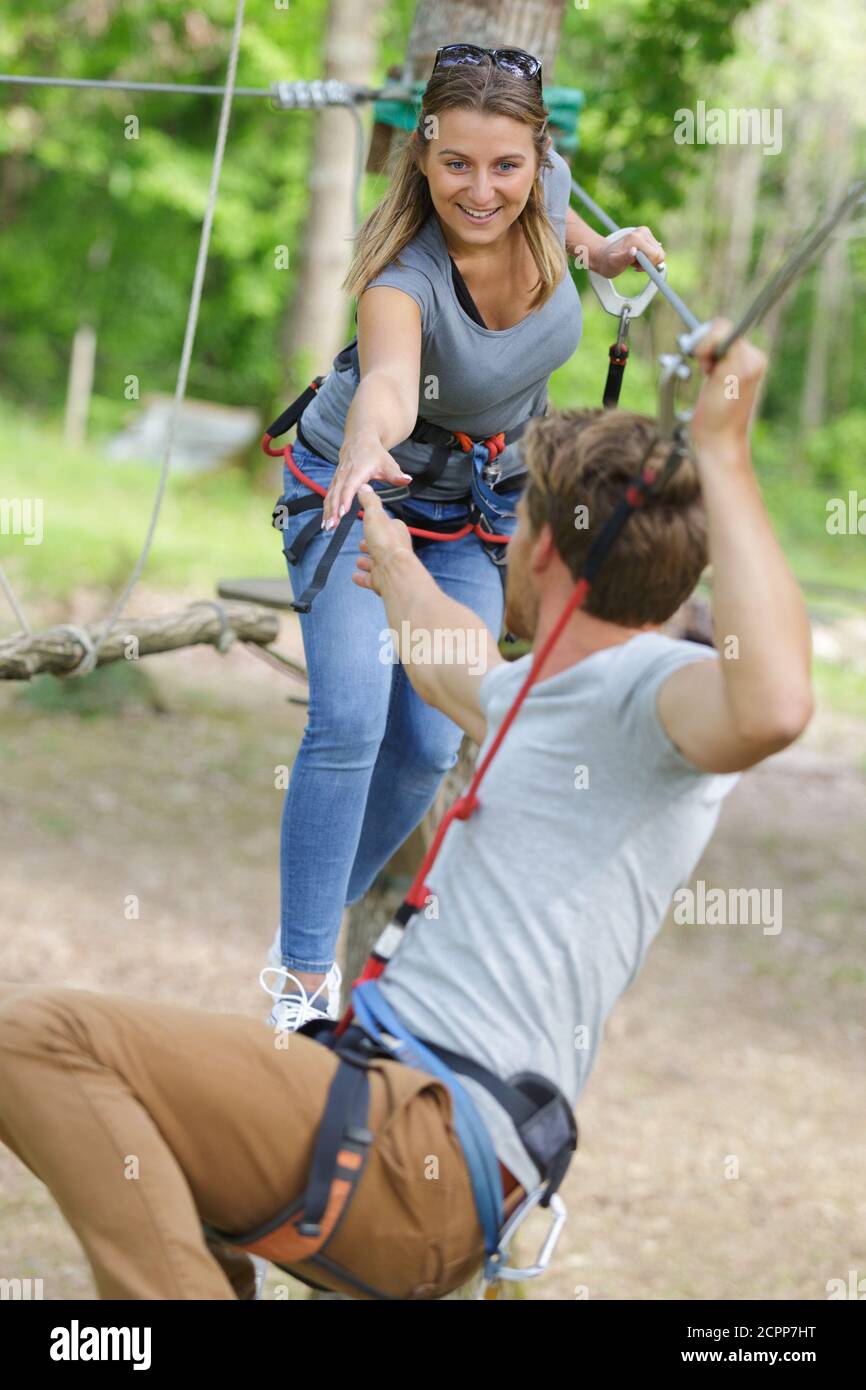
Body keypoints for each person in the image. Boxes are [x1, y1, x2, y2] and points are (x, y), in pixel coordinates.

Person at [0, 324, 812, 1302]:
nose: (501, 538)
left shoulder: (650, 694)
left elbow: (769, 705)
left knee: (36, 1039)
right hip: (390, 1116)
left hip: (422, 1129)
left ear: (543, 545)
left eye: (513, 522)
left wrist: (723, 455)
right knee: (155, 1139)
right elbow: (441, 653)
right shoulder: (542, 695)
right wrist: (383, 537)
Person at [262, 42, 665, 1030]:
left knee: (429, 738)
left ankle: (302, 919)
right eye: (454, 165)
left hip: (476, 514)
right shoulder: (401, 279)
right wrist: (364, 442)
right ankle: (300, 978)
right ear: (421, 157)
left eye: (504, 166)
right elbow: (390, 384)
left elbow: (552, 216)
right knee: (351, 723)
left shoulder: (544, 187)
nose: (479, 190)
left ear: (534, 158)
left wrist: (599, 252)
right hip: (362, 496)